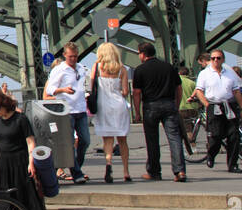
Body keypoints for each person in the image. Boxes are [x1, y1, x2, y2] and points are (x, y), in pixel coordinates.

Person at [0, 90, 51, 210]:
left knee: (26, 193)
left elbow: (30, 142)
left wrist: (31, 163)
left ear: (5, 105)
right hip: (5, 161)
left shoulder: (20, 119)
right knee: (4, 194)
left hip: (20, 160)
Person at [132, 41, 187, 181]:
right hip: (169, 105)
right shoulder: (168, 67)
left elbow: (137, 93)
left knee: (152, 140)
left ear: (143, 54)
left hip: (150, 106)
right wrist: (176, 104)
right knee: (174, 138)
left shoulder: (140, 70)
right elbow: (178, 88)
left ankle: (154, 172)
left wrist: (137, 112)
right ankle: (179, 171)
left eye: (139, 53)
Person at [195, 49, 242, 173]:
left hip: (229, 105)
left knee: (233, 136)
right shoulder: (204, 74)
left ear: (223, 59)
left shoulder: (229, 73)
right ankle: (211, 155)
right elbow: (199, 91)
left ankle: (233, 164)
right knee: (216, 135)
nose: (215, 60)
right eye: (213, 58)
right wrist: (207, 104)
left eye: (218, 58)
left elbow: (236, 92)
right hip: (214, 106)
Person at [44, 42, 90, 183]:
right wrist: (63, 90)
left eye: (75, 56)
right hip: (67, 110)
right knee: (69, 143)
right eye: (70, 57)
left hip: (81, 109)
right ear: (65, 55)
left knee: (85, 141)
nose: (73, 59)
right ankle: (77, 173)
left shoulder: (81, 68)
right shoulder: (59, 70)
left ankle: (76, 166)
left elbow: (87, 83)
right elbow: (50, 90)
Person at [87, 43, 132, 183]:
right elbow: (125, 92)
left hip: (103, 105)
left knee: (107, 140)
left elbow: (91, 85)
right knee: (122, 140)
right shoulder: (121, 69)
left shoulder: (98, 67)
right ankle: (126, 172)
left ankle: (108, 164)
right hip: (119, 106)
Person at [178, 64, 200, 153]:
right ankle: (193, 145)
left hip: (182, 108)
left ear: (179, 73)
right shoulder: (192, 83)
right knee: (192, 127)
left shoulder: (177, 82)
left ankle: (191, 147)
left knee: (187, 129)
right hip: (193, 108)